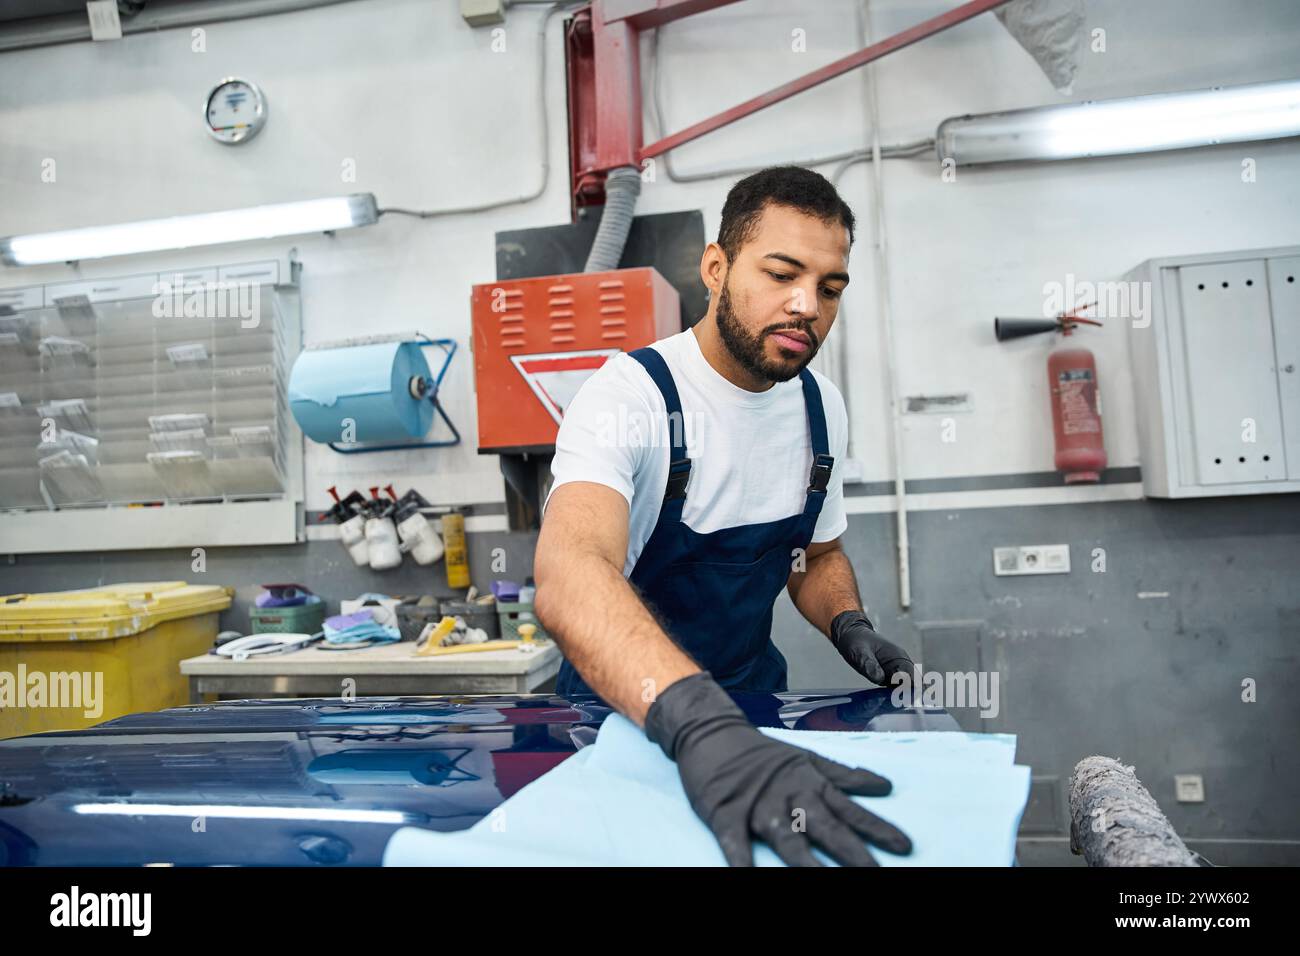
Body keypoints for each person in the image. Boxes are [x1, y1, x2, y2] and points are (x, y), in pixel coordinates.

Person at [534, 165, 916, 866]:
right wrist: (699, 725)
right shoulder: (631, 396)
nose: (808, 305)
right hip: (618, 724)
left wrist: (849, 623)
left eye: (830, 289)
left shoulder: (818, 406)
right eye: (781, 274)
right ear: (716, 267)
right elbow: (569, 574)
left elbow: (817, 556)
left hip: (753, 714)